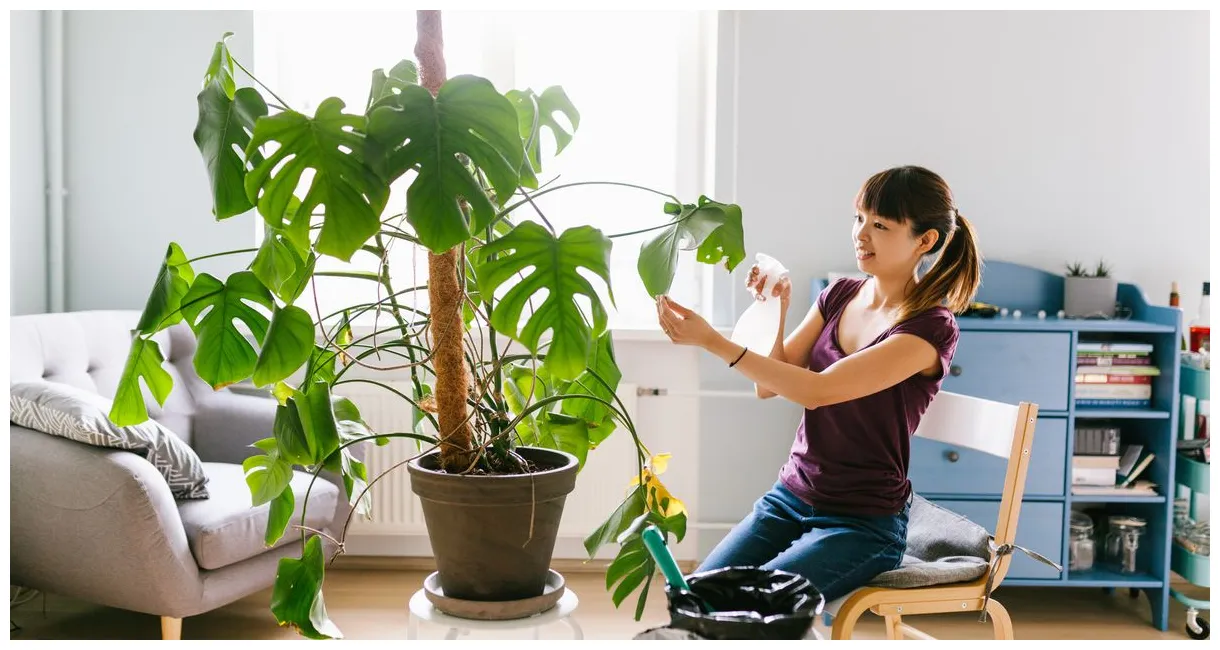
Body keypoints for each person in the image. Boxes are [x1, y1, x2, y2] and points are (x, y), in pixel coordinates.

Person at [655, 165, 982, 603]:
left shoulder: (930, 327)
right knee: (694, 598)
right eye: (859, 218)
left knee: (745, 606)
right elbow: (770, 384)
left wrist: (712, 341)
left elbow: (818, 390)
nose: (861, 234)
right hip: (789, 497)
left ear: (925, 241)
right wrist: (776, 307)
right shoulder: (840, 294)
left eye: (880, 225)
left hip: (862, 523)